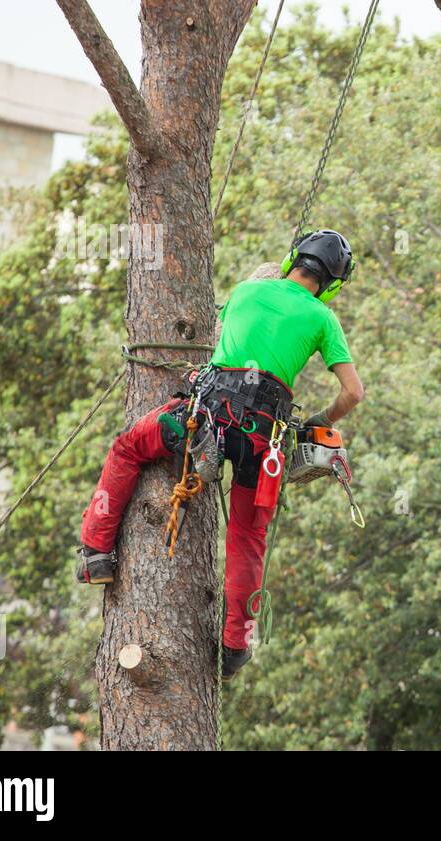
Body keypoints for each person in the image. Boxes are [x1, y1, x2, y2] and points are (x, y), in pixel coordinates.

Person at [75, 230, 365, 680]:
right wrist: (317, 422)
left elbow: (220, 339)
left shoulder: (248, 289)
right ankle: (234, 647)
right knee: (248, 536)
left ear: (292, 260)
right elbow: (354, 392)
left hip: (206, 412)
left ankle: (96, 553)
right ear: (332, 284)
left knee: (128, 447)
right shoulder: (323, 318)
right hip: (263, 438)